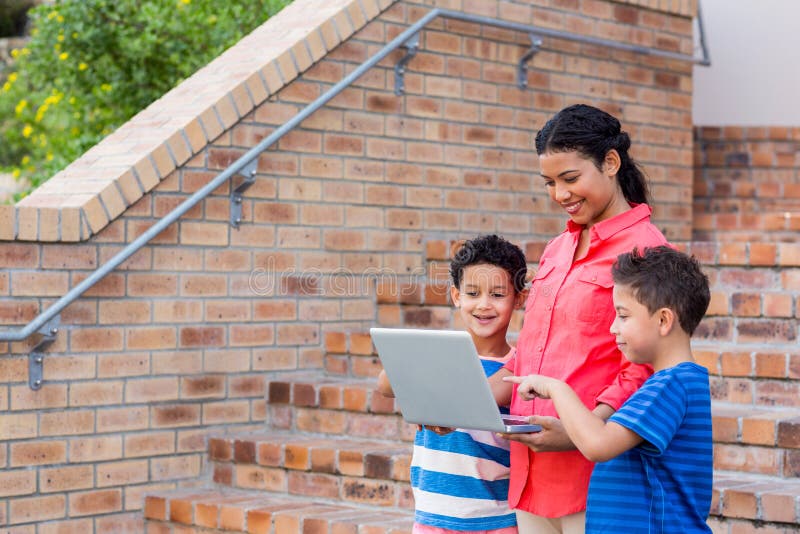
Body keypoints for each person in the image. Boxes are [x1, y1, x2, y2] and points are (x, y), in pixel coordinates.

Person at [489, 103, 670, 533]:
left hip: (598, 477)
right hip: (531, 470)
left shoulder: (647, 251)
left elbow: (645, 368)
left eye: (570, 179)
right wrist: (465, 403)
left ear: (610, 163)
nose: (560, 194)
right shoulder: (555, 250)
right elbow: (528, 353)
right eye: (549, 182)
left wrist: (581, 432)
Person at [505, 246, 713, 533]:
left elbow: (598, 445)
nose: (613, 328)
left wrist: (556, 388)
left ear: (664, 320)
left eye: (623, 316)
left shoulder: (670, 386)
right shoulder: (669, 383)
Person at [376, 234, 528, 533]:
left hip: (494, 517)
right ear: (457, 296)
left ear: (519, 298)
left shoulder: (518, 367)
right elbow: (384, 384)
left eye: (497, 295)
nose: (484, 305)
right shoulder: (440, 356)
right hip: (433, 514)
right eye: (472, 293)